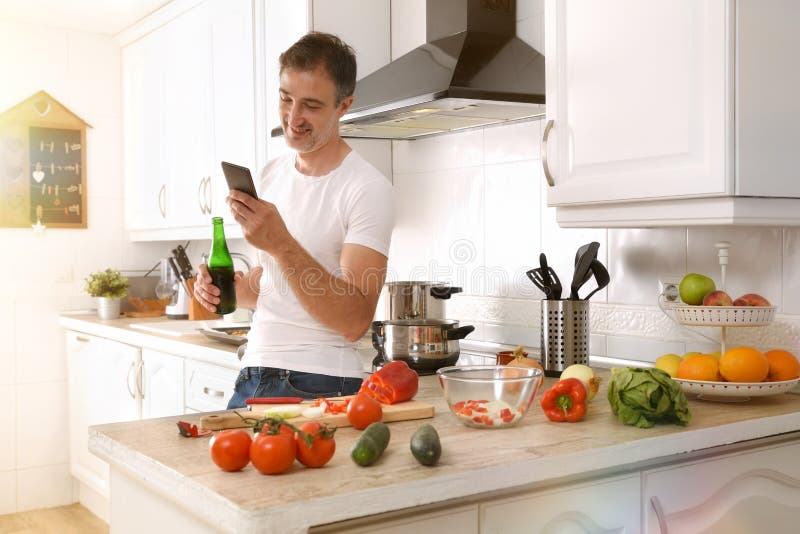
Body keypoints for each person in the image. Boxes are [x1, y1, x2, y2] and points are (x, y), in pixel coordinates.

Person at [193, 32, 394, 409]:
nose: (293, 117)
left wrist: (280, 244)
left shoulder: (368, 188)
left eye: (312, 105)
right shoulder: (272, 174)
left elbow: (355, 320)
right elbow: (271, 284)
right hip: (254, 370)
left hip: (320, 381)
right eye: (286, 98)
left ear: (343, 106)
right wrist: (227, 291)